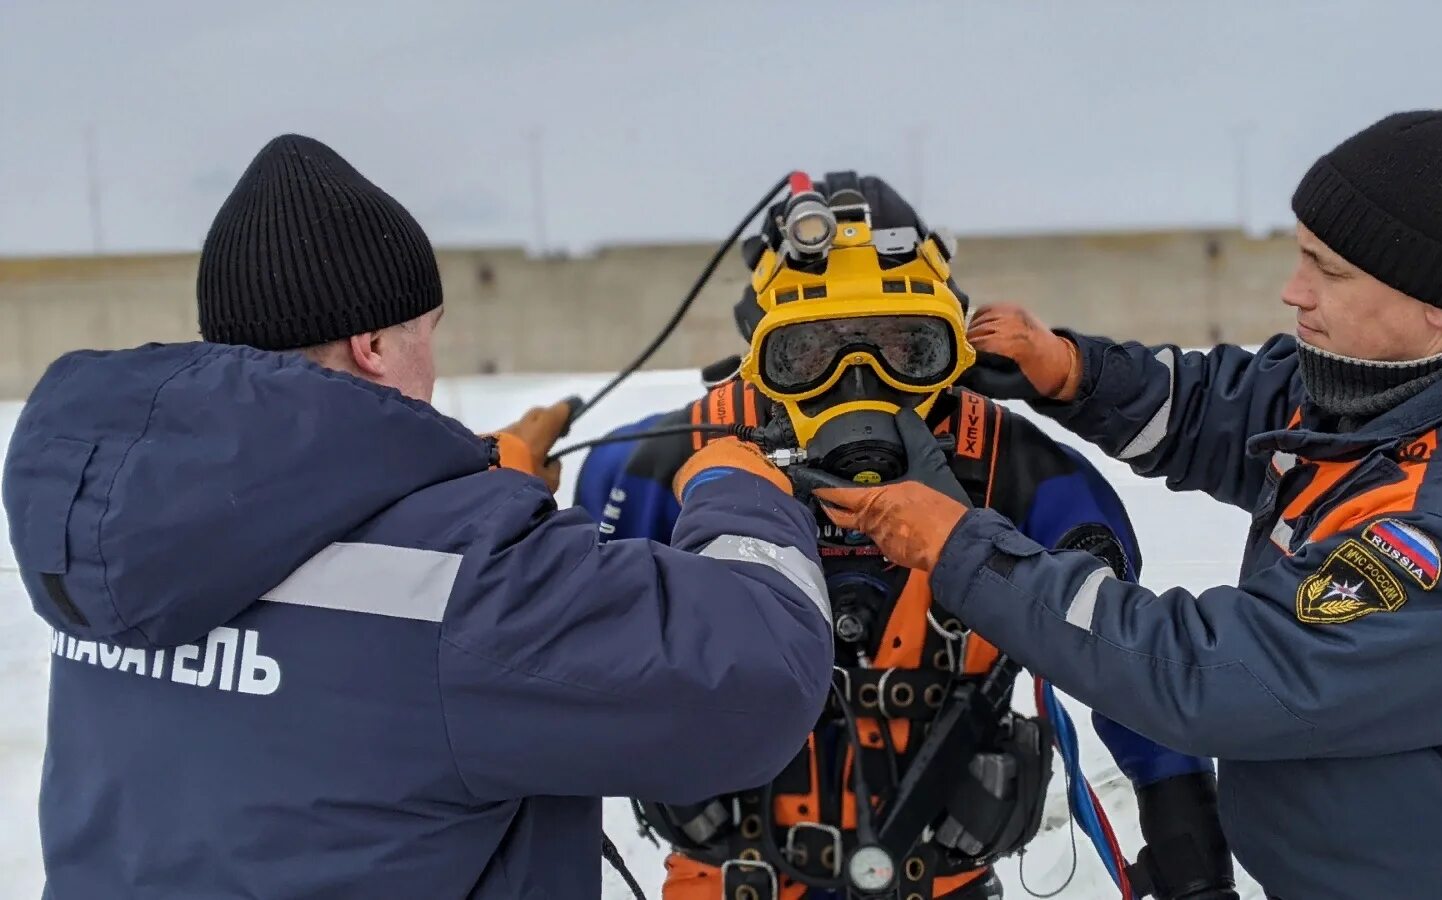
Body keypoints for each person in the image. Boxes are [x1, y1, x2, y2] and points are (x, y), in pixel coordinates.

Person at [1, 134, 837, 899]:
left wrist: (480, 493)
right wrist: (742, 485)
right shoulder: (467, 581)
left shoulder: (110, 525)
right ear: (373, 345)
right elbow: (759, 678)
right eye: (426, 331)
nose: (432, 360)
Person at [793, 112, 1442, 900]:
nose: (1294, 292)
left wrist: (962, 546)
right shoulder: (1388, 387)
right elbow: (1227, 405)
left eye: (1329, 270)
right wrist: (1071, 371)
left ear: (1435, 301)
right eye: (1300, 257)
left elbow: (1210, 678)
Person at [583, 173, 1238, 900]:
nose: (857, 383)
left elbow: (1126, 666)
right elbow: (554, 662)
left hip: (937, 877)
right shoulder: (653, 469)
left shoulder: (1024, 478)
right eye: (810, 355)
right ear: (759, 351)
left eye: (905, 349)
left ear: (953, 345)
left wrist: (1193, 864)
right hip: (733, 876)